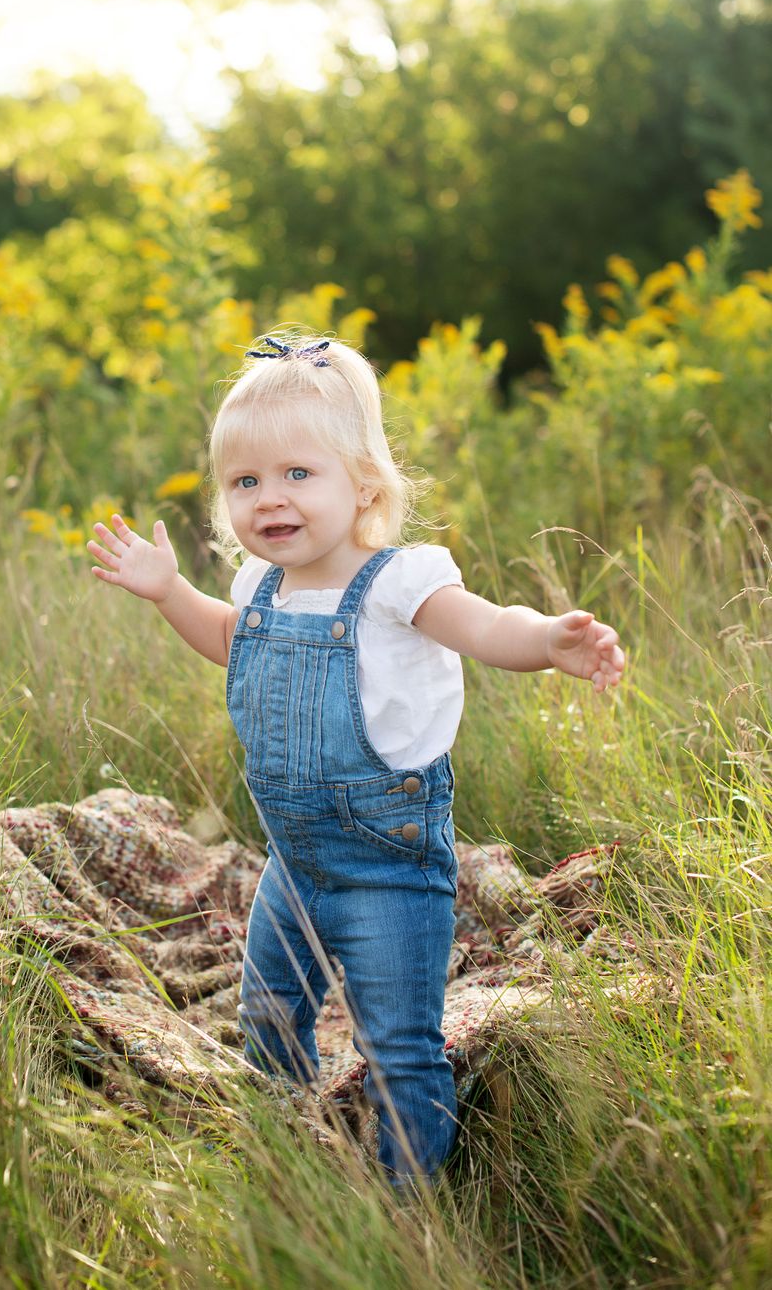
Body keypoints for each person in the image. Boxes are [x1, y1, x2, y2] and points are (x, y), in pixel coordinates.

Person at [86, 331, 625, 1187]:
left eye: (298, 473)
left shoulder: (400, 582)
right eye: (245, 482)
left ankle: (409, 1202)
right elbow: (230, 643)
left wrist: (546, 641)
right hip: (293, 865)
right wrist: (169, 592)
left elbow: (486, 625)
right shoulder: (258, 587)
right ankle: (287, 1162)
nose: (270, 498)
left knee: (398, 1045)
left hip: (389, 869)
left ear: (363, 482)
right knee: (267, 1016)